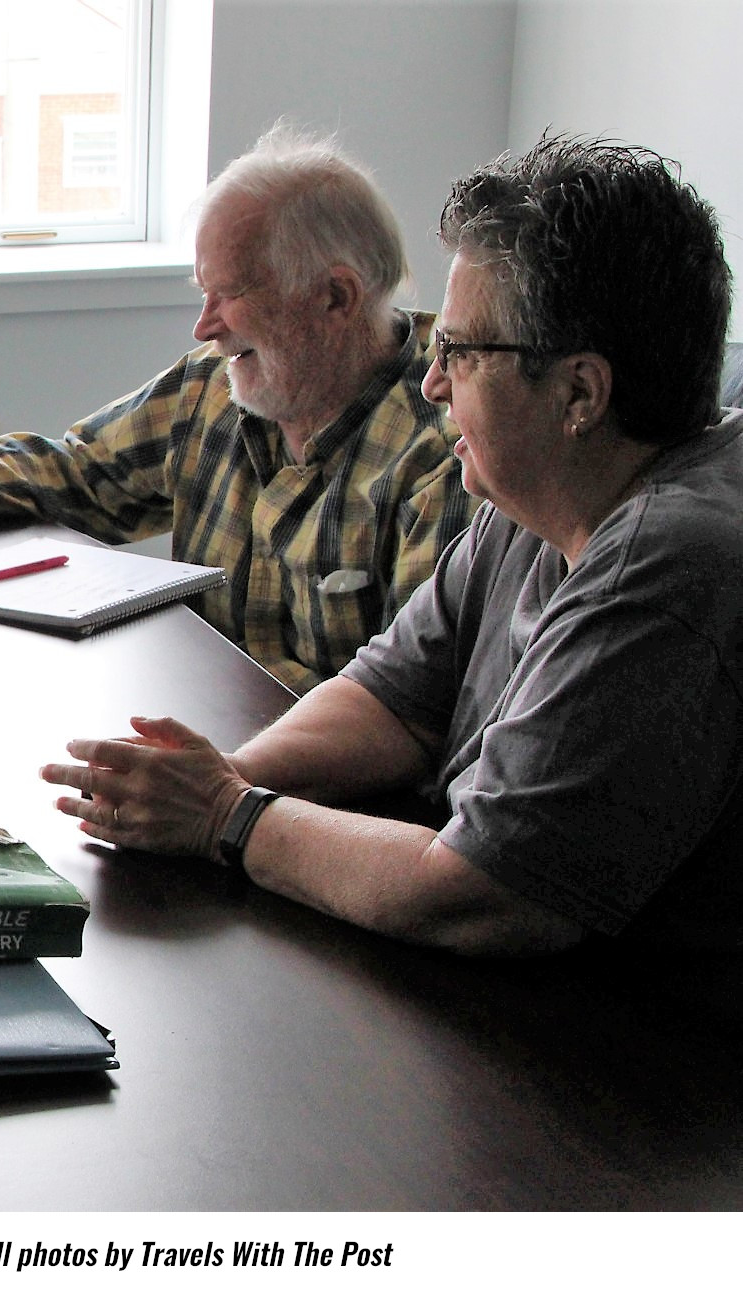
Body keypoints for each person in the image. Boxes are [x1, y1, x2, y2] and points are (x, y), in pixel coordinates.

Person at [41, 136, 742, 956]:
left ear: (580, 392)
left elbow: (481, 894)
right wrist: (218, 776)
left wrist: (224, 815)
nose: (434, 381)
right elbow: (395, 696)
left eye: (461, 352)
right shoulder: (541, 484)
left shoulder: (660, 562)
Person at [0, 125, 473, 693]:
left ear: (335, 298)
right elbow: (74, 474)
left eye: (227, 294)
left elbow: (402, 714)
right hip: (199, 745)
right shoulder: (216, 385)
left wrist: (212, 790)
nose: (204, 328)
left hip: (315, 802)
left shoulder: (444, 454)